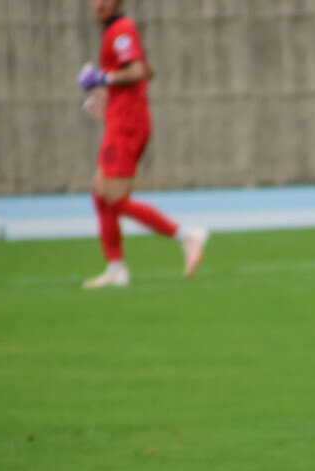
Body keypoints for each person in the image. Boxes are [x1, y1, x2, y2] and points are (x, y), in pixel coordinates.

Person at [77, 0, 207, 289]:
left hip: (128, 124)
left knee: (115, 197)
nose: (98, 4)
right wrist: (106, 95)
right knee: (101, 194)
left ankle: (187, 236)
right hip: (120, 119)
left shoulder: (121, 29)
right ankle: (116, 268)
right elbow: (147, 69)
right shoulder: (116, 29)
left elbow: (136, 71)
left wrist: (102, 78)